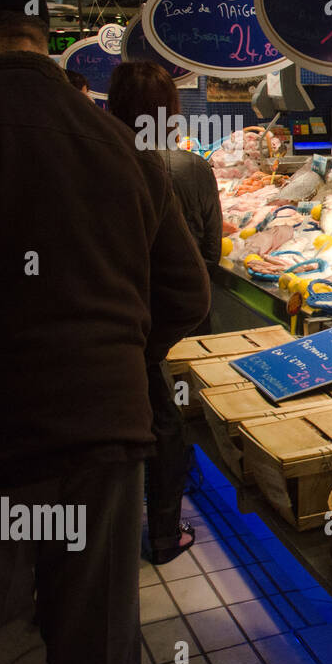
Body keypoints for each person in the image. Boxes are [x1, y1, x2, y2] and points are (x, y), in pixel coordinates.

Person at [0, 0, 210, 664]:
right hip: (106, 434)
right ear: (40, 35)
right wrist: (116, 351)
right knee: (100, 644)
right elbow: (187, 292)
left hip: (1, 439)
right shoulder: (121, 147)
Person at [108, 61, 222, 565]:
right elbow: (211, 256)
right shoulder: (188, 167)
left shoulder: (101, 160)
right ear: (172, 111)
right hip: (174, 320)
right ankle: (163, 530)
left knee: (156, 418)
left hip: (127, 319)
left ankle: (139, 515)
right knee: (171, 425)